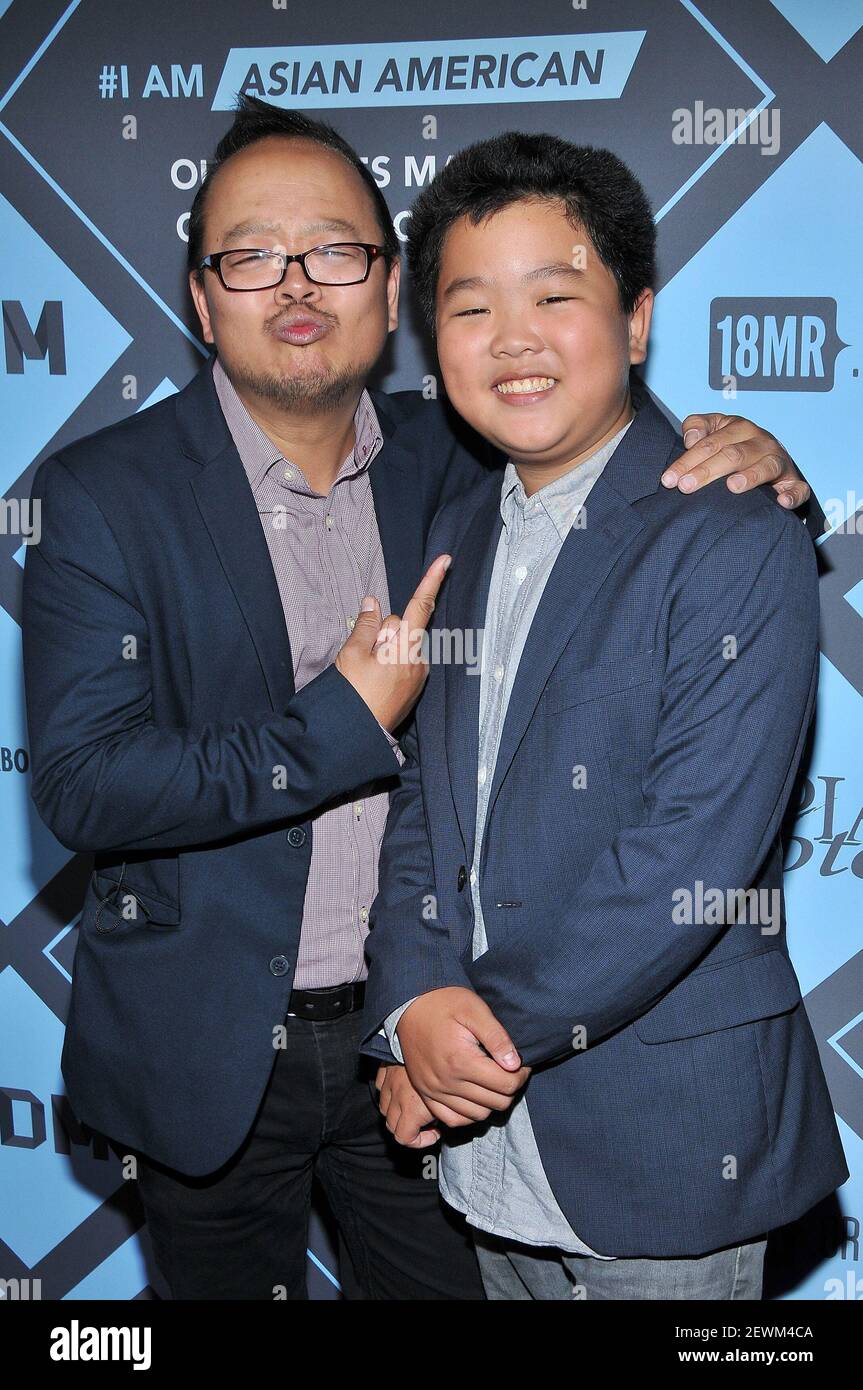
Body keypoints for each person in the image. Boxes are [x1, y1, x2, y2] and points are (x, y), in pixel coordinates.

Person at [21, 95, 820, 1302]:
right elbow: (83, 782)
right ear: (199, 297)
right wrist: (335, 723)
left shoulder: (455, 460)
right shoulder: (98, 494)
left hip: (432, 1052)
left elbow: (613, 464)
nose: (297, 284)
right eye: (249, 255)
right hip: (212, 1056)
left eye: (336, 251)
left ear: (386, 292)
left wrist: (768, 468)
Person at [362, 132, 848, 1301]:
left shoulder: (731, 526)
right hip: (490, 1148)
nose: (513, 338)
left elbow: (689, 850)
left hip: (661, 1138)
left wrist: (453, 1053)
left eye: (554, 294)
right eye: (470, 307)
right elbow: (424, 800)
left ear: (635, 322)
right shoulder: (462, 530)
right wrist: (407, 1008)